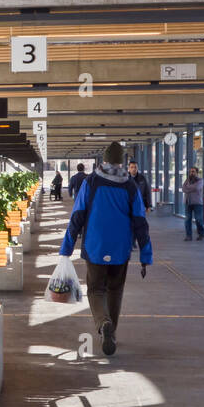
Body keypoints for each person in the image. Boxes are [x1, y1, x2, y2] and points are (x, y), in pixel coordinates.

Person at [60, 142, 152, 357]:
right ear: (122, 161)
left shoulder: (91, 181)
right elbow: (140, 221)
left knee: (95, 289)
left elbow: (77, 216)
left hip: (95, 245)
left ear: (104, 160)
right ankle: (112, 332)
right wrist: (146, 254)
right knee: (115, 290)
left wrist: (66, 248)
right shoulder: (130, 185)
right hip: (121, 248)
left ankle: (103, 324)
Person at [182, 166, 204, 240]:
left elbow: (197, 188)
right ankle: (188, 236)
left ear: (197, 173)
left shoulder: (200, 180)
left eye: (193, 171)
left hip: (197, 203)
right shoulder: (187, 180)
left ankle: (201, 233)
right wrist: (190, 188)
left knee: (198, 219)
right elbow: (183, 188)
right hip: (187, 202)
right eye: (190, 172)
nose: (191, 173)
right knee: (187, 220)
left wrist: (188, 188)